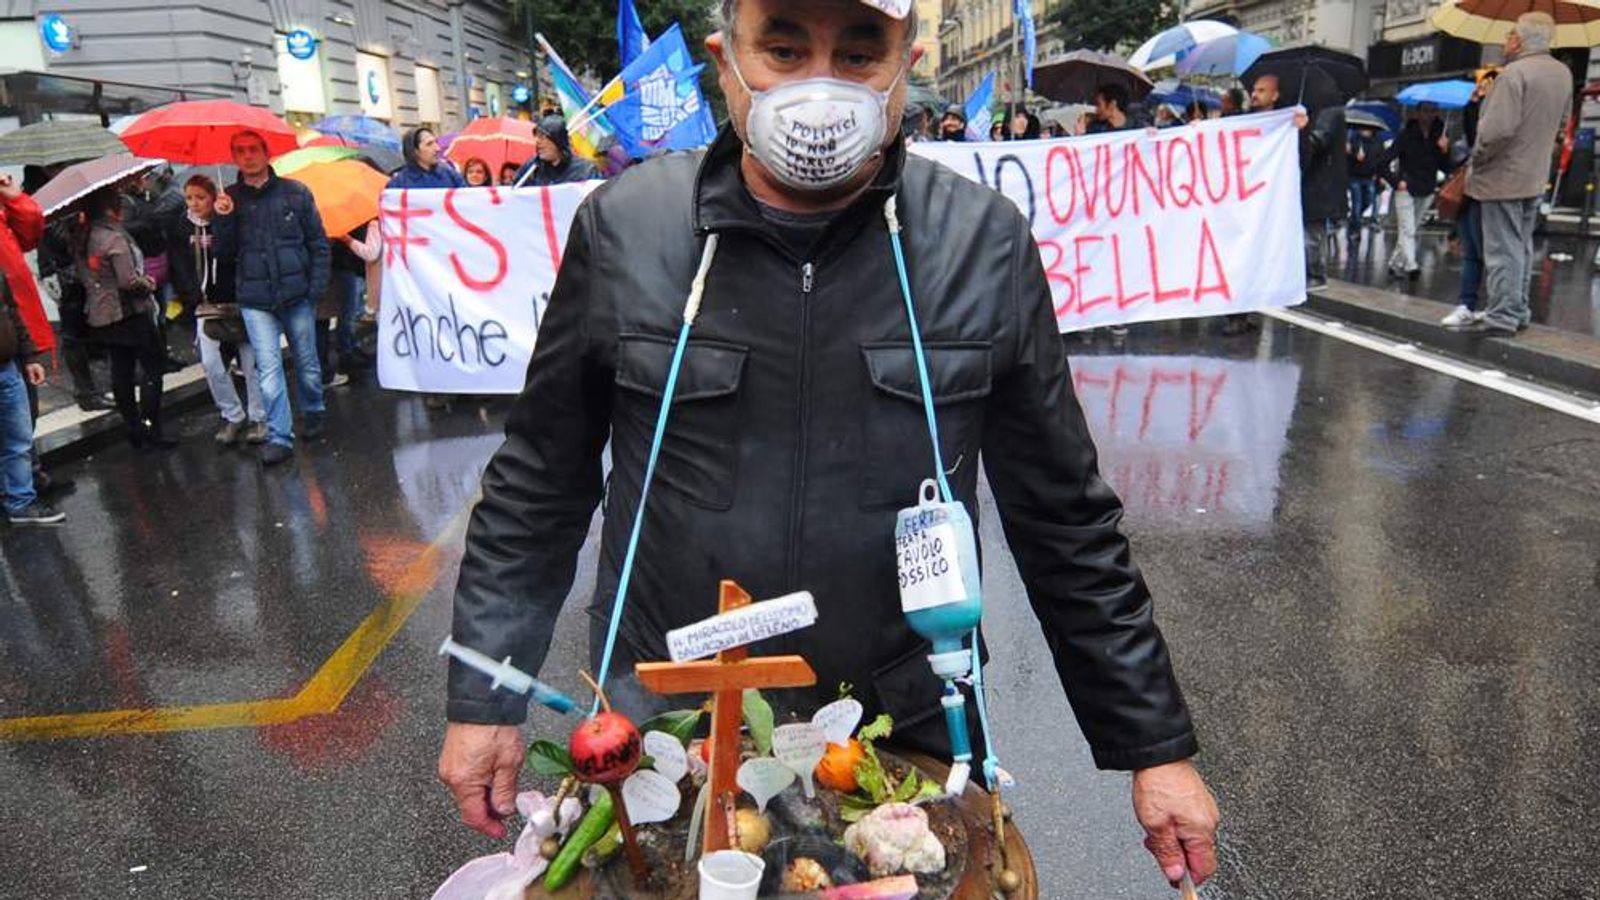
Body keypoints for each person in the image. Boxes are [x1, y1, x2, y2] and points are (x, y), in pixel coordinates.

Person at [437, 0, 1220, 890]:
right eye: (782, 48)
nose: (820, 88)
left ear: (906, 63)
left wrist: (1155, 749)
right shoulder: (626, 228)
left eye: (857, 53)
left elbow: (1066, 523)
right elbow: (539, 481)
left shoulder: (983, 244)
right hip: (674, 728)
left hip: (897, 743)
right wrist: (485, 698)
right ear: (724, 59)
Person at [212, 129, 331, 466]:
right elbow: (224, 253)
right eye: (240, 151)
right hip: (255, 298)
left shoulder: (296, 193)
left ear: (266, 153)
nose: (247, 156)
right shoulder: (230, 199)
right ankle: (280, 435)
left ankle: (313, 408)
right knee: (268, 368)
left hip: (298, 296)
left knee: (307, 363)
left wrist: (314, 290)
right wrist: (222, 219)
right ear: (234, 157)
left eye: (253, 150)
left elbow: (318, 244)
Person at [1461, 13, 1571, 336]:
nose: (1505, 41)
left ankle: (1502, 315)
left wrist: (1478, 159)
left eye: (1509, 35)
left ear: (1519, 41)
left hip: (1502, 177)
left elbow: (1496, 131)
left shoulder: (1513, 75)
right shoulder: (1563, 74)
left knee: (1501, 249)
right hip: (1535, 175)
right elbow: (1563, 126)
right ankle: (1518, 308)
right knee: (1521, 245)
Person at [168, 175, 266, 446]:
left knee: (251, 363)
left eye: (201, 197)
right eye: (189, 198)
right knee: (211, 363)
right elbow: (178, 264)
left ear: (213, 197)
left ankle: (259, 415)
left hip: (238, 302)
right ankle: (233, 414)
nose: (195, 204)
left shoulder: (229, 219)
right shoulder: (181, 226)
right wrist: (190, 296)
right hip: (205, 306)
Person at [74, 188, 175, 450]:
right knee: (152, 370)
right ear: (112, 207)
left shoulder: (82, 237)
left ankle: (133, 428)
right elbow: (128, 281)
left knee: (121, 372)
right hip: (131, 314)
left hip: (101, 317)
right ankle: (151, 427)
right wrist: (149, 282)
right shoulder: (114, 238)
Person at [0, 277, 61, 525]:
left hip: (7, 367)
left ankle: (21, 502)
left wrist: (29, 357)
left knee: (18, 440)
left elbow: (11, 311)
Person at [1444, 70, 1499, 328]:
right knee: (1471, 251)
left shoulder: (1500, 112)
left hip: (1487, 187)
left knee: (1483, 250)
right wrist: (1474, 103)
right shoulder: (1475, 108)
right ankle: (1467, 303)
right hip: (1470, 184)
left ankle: (1489, 305)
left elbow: (1485, 140)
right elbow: (1472, 134)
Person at [1379, 104, 1449, 279]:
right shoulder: (1407, 135)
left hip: (1427, 188)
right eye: (1425, 111)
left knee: (1410, 229)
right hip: (1407, 188)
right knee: (1408, 229)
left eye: (1432, 111)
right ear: (1417, 113)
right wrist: (1396, 182)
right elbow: (1383, 161)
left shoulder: (1438, 136)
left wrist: (1445, 150)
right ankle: (1412, 265)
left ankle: (1395, 263)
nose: (1429, 115)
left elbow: (1445, 166)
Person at [511, 115, 601, 185]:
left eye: (543, 136)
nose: (538, 141)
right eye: (537, 136)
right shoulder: (531, 168)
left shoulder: (586, 170)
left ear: (557, 140)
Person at [388, 127, 468, 190]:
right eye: (429, 144)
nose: (437, 148)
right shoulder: (399, 184)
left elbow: (466, 200)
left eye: (436, 142)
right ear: (415, 151)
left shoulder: (450, 176)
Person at [1346, 124, 1383, 241]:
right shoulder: (1354, 140)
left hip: (1370, 177)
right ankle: (1355, 230)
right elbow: (1348, 159)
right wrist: (1351, 153)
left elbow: (1380, 159)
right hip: (1355, 176)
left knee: (1368, 201)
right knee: (1356, 204)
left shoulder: (1377, 142)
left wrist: (1380, 175)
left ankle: (1354, 219)